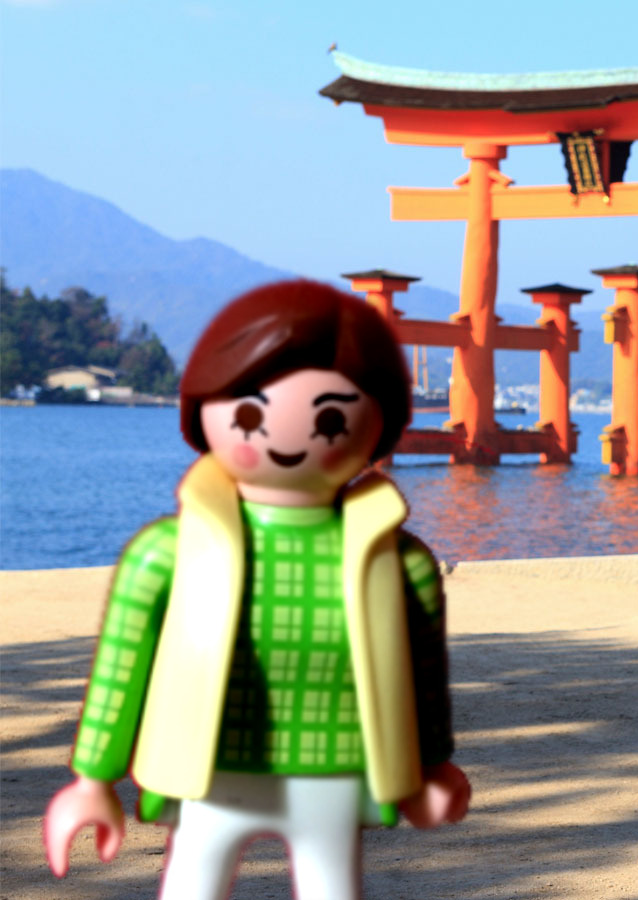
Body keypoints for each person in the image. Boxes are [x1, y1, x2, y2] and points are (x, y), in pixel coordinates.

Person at [43, 279, 470, 900]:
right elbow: (121, 665)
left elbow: (424, 673)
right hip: (208, 763)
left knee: (329, 887)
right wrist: (92, 778)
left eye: (330, 416)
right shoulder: (167, 552)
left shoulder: (398, 560)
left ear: (379, 423)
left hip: (336, 759)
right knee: (192, 883)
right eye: (249, 412)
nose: (287, 436)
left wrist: (430, 763)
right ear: (203, 411)